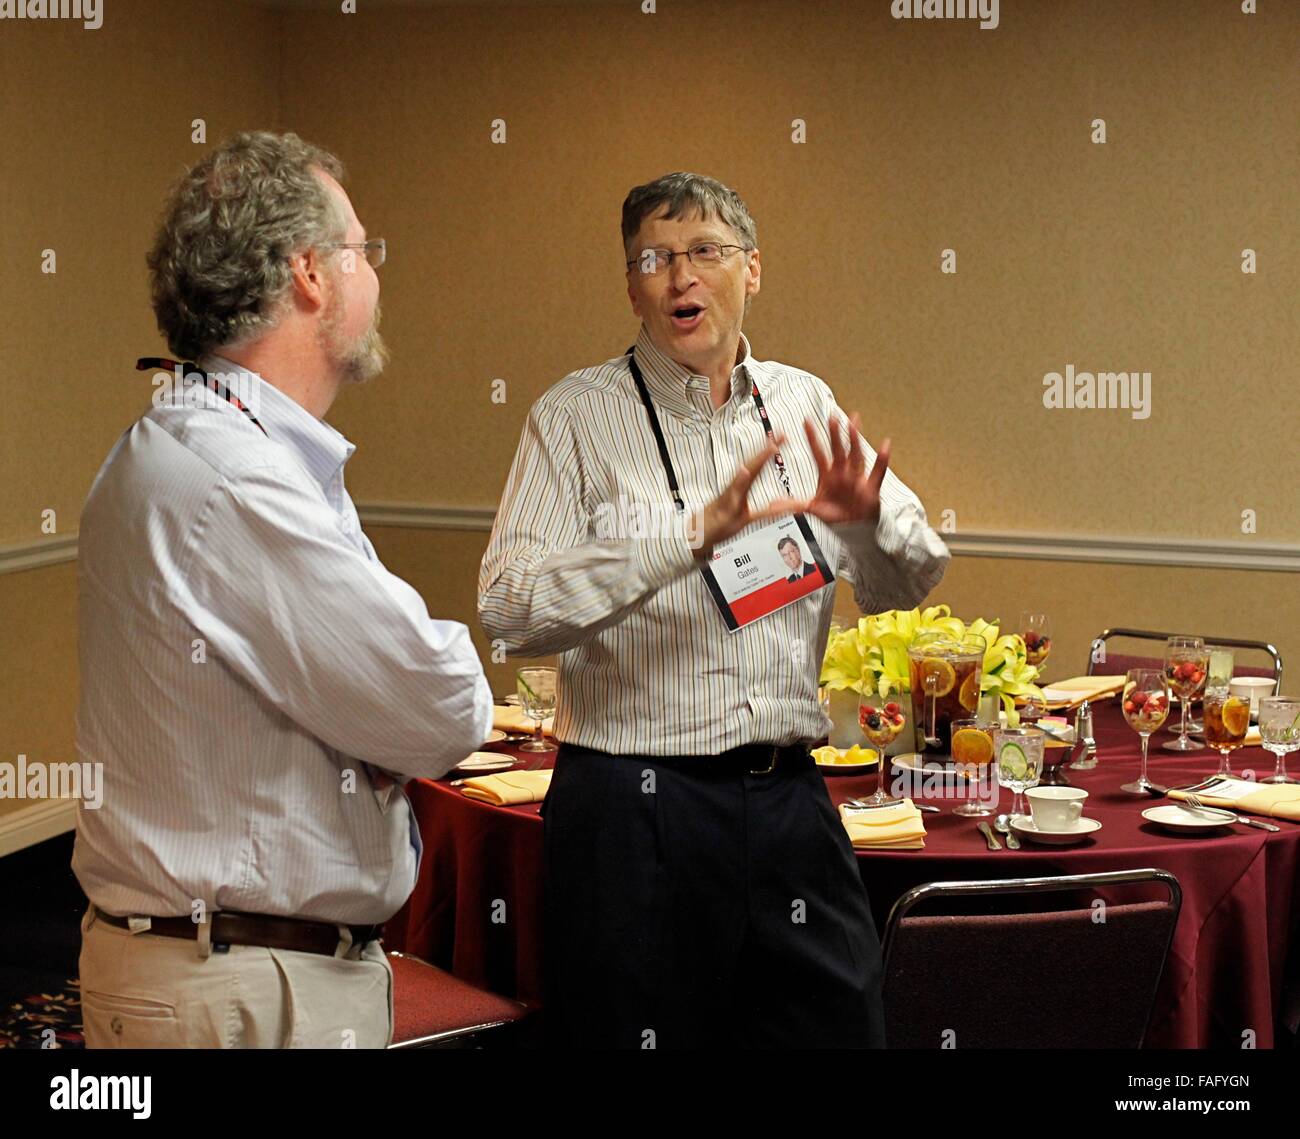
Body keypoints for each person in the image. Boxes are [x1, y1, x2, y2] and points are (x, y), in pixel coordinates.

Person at [479, 171, 950, 1048]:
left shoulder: (802, 401)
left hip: (788, 803)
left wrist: (870, 520)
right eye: (654, 259)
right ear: (631, 286)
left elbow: (905, 582)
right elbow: (510, 607)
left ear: (753, 270)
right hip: (631, 810)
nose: (680, 277)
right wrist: (687, 538)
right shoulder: (572, 417)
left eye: (705, 251)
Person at [73, 131, 494, 1049]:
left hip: (223, 970)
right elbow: (446, 703)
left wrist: (366, 715)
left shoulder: (195, 445)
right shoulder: (232, 479)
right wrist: (380, 721)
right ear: (309, 272)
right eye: (363, 250)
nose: (375, 277)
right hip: (242, 990)